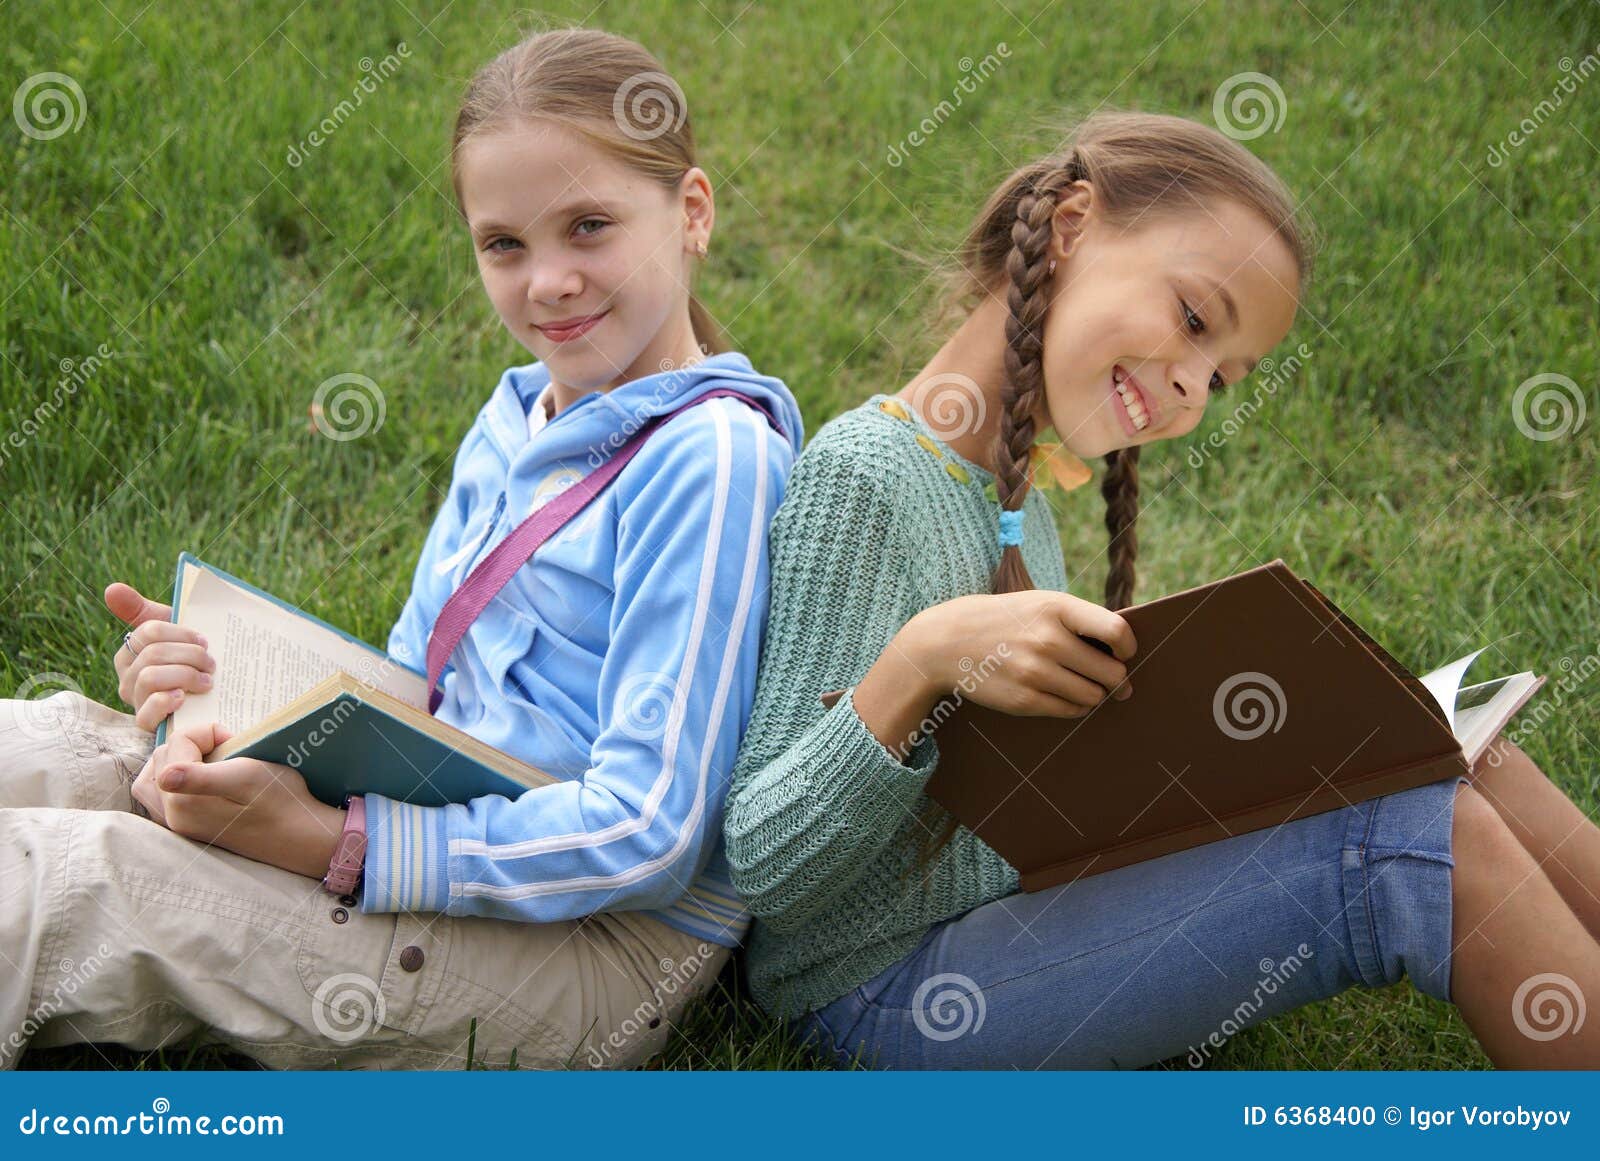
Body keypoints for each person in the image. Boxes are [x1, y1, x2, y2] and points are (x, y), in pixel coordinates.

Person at [723, 110, 1600, 1069]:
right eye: (1192, 321)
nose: (1189, 388)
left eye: (1220, 379)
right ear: (1070, 225)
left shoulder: (1019, 509)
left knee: (1454, 751)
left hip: (1007, 915)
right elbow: (768, 876)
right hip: (882, 993)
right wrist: (920, 660)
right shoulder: (867, 474)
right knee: (1414, 840)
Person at [0, 26, 803, 1071]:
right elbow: (414, 689)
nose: (548, 281)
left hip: (591, 952)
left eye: (590, 227)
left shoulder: (712, 460)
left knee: (72, 881)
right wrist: (217, 701)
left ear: (691, 213)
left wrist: (330, 843)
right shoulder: (519, 412)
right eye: (504, 245)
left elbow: (647, 831)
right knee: (46, 746)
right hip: (438, 817)